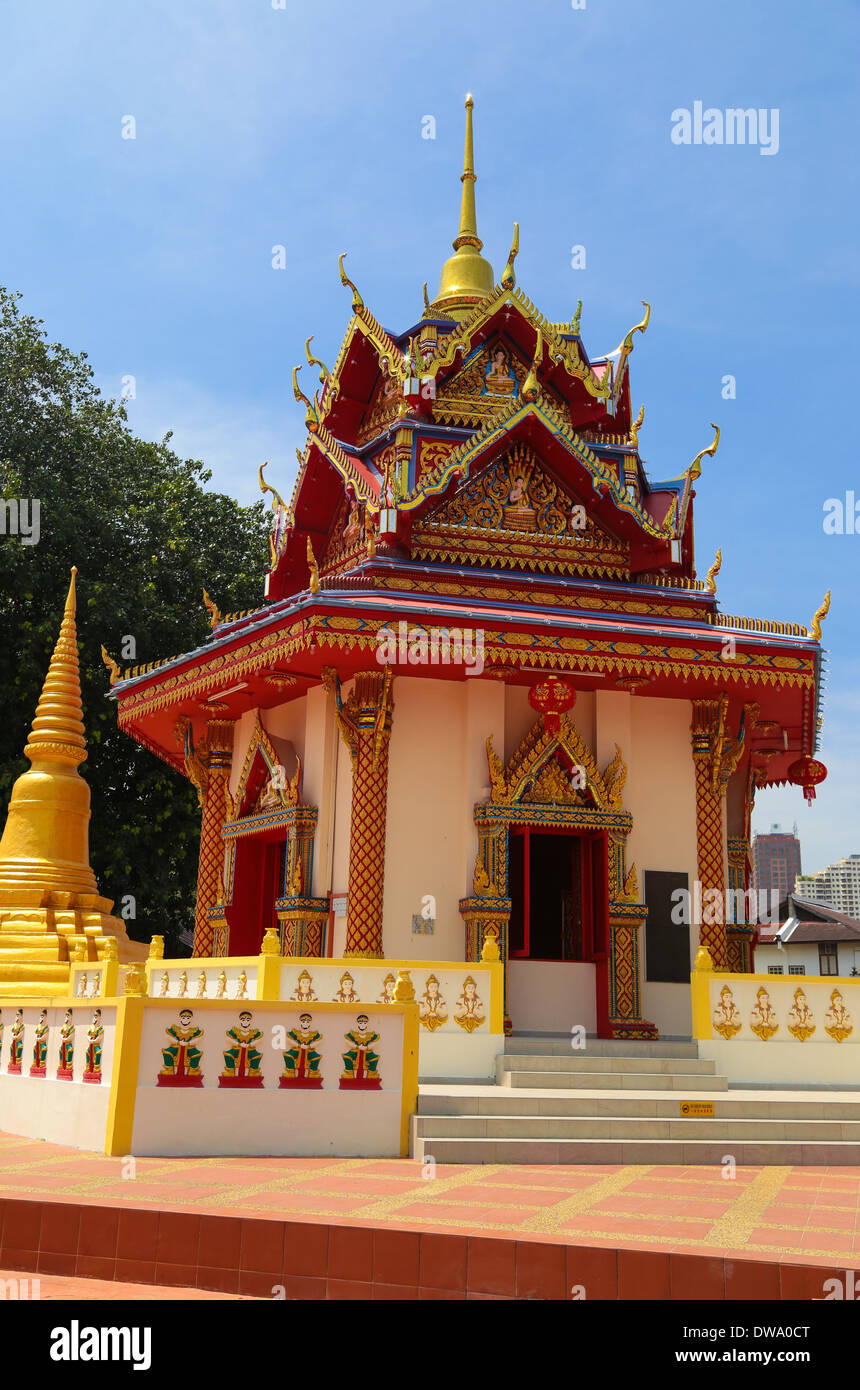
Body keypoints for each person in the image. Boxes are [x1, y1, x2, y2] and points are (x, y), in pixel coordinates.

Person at [220, 1011, 263, 1084]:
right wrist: (238, 1044)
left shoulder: (254, 1032)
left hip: (249, 1050)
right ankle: (230, 1071)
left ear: (251, 1021)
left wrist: (249, 1045)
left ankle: (253, 1071)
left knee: (257, 1056)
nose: (245, 1022)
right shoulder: (235, 1031)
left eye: (248, 1020)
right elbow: (228, 1038)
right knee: (228, 1054)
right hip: (237, 1049)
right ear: (240, 1020)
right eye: (243, 1020)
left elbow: (260, 1039)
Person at [280, 1013, 323, 1086]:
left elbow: (319, 1040)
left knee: (316, 1057)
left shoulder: (313, 1034)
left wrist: (309, 1046)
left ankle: (313, 1073)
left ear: (310, 1023)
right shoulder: (295, 1033)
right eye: (303, 1022)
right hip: (297, 1050)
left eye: (307, 1022)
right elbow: (288, 1039)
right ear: (300, 1022)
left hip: (309, 1051)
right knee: (288, 1055)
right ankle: (290, 1072)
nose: (305, 1024)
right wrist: (298, 1045)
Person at [340, 1014, 381, 1087]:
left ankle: (371, 1075)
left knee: (374, 1059)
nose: (362, 1025)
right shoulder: (354, 1034)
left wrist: (367, 1047)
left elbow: (376, 1041)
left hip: (367, 1052)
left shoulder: (370, 1035)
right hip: (355, 1051)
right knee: (347, 1057)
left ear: (367, 1024)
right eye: (360, 1023)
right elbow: (347, 1040)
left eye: (365, 1023)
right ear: (357, 1023)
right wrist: (356, 1046)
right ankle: (349, 1073)